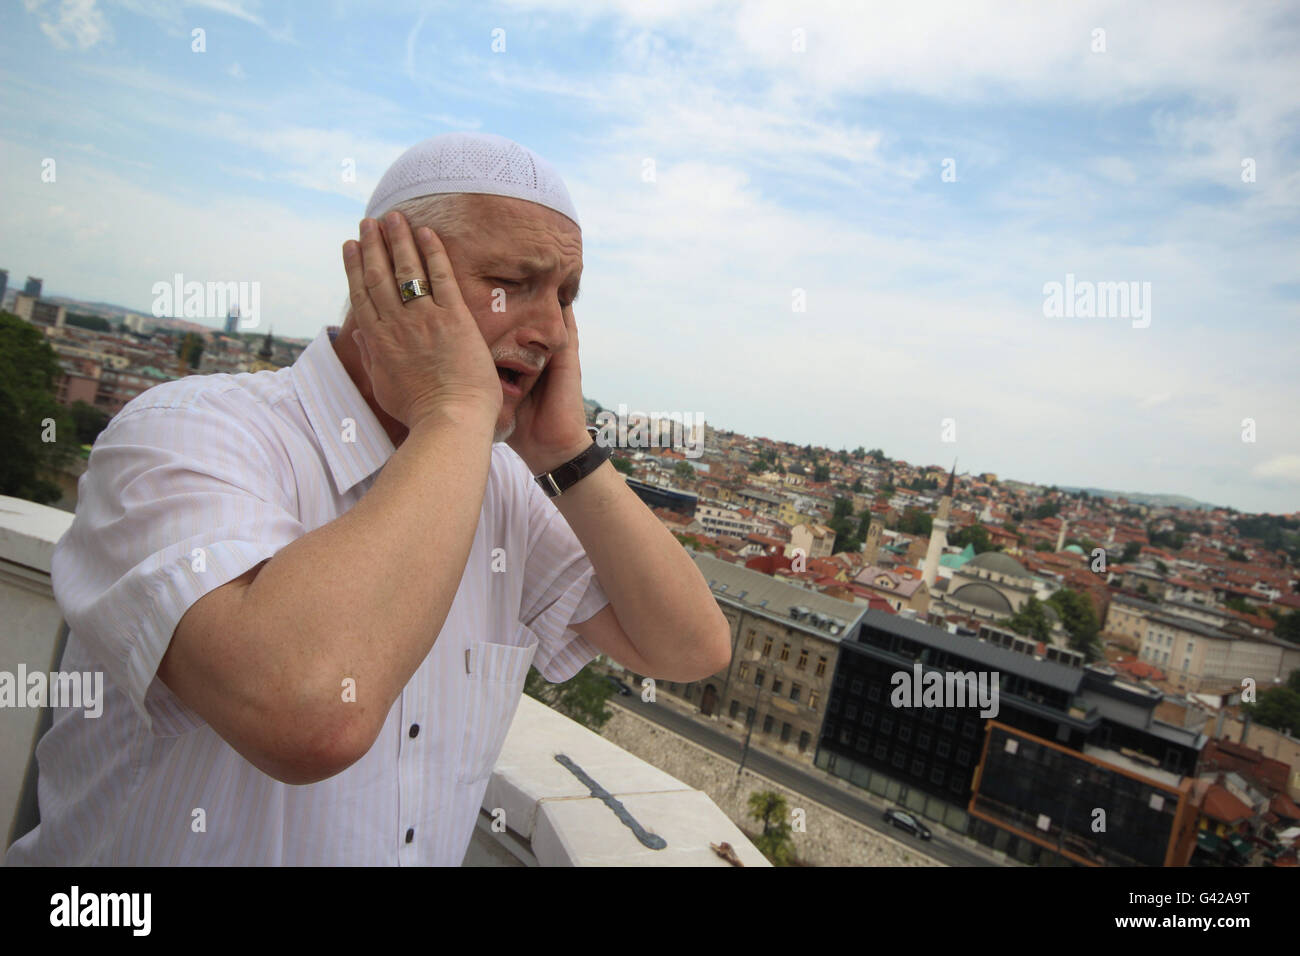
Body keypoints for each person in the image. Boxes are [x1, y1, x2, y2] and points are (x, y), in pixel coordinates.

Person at [7, 132, 730, 865]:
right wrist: (452, 412)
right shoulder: (186, 435)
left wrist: (565, 455)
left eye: (567, 297)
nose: (549, 331)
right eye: (515, 282)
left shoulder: (504, 485)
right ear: (390, 275)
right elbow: (309, 716)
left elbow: (687, 647)